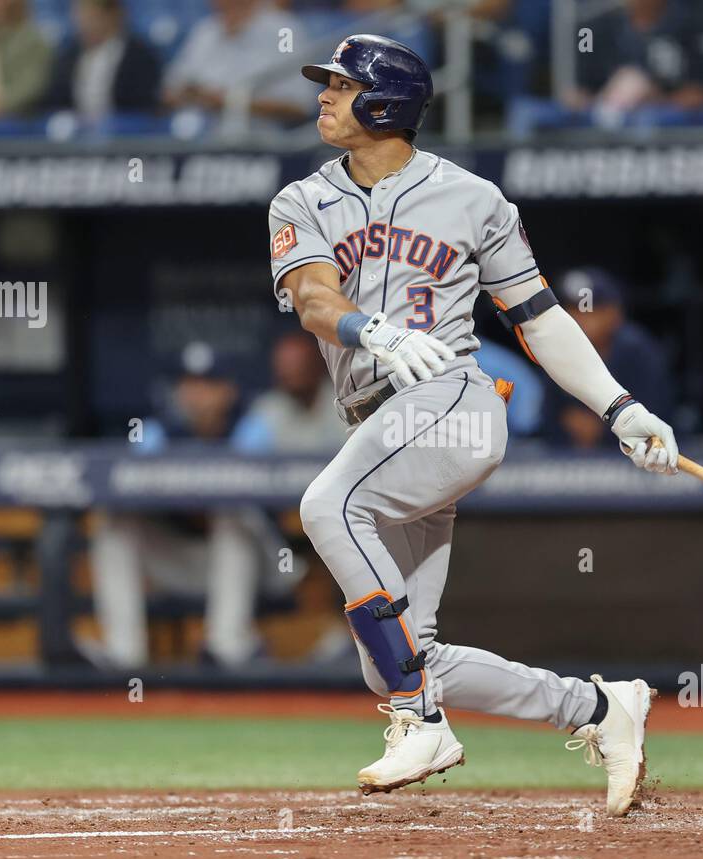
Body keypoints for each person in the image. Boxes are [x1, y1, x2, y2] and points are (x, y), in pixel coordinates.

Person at [269, 35, 679, 817]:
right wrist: (373, 331)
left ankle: (419, 721)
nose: (323, 96)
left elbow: (540, 318)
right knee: (400, 654)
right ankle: (599, 710)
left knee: (330, 507)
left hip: (452, 398)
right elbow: (316, 300)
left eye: (341, 85)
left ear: (386, 103)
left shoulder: (473, 197)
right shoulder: (302, 200)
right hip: (376, 419)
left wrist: (620, 407)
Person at [89, 343, 289, 669]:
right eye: (190, 384)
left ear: (228, 391)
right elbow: (124, 484)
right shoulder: (156, 432)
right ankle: (123, 653)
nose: (197, 395)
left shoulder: (252, 428)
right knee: (114, 527)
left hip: (255, 566)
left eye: (208, 385)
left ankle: (227, 646)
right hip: (181, 561)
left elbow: (253, 495)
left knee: (232, 519)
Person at [542, 268, 675, 450]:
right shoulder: (557, 349)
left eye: (589, 309)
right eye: (573, 309)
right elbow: (547, 418)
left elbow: (658, 417)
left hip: (636, 460)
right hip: (569, 460)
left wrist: (604, 430)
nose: (578, 318)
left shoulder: (637, 351)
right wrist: (568, 424)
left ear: (614, 313)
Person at [161, 0, 308, 127]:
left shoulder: (284, 29)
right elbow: (169, 93)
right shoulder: (205, 30)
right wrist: (192, 94)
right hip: (198, 142)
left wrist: (230, 102)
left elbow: (300, 105)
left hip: (263, 146)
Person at [43, 0, 160, 120]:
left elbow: (143, 105)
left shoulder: (139, 55)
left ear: (112, 15)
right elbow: (56, 99)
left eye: (90, 16)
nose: (82, 23)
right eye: (79, 15)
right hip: (77, 133)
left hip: (125, 134)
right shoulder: (70, 55)